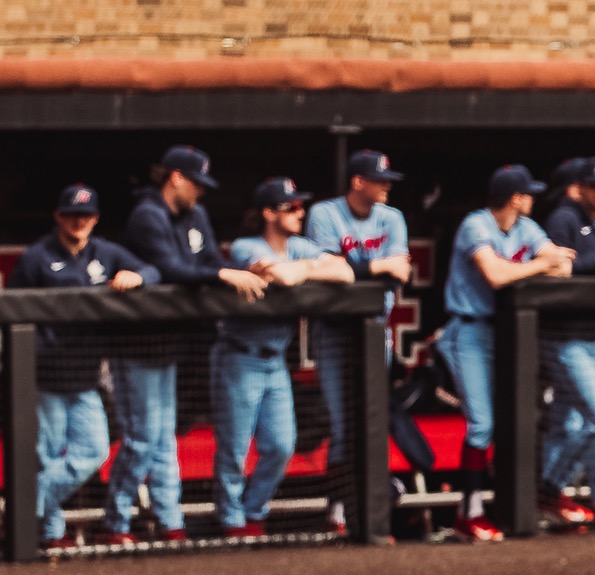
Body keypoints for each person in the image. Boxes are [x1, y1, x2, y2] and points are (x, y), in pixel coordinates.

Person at [115, 145, 269, 545]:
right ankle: (115, 521)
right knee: (144, 438)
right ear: (175, 178)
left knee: (163, 434)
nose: (201, 191)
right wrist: (223, 274)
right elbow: (174, 268)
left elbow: (205, 261)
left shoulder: (195, 215)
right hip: (137, 340)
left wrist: (235, 271)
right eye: (196, 182)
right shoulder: (147, 214)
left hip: (171, 340)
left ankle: (170, 521)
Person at [8, 184, 159, 549]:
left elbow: (152, 270)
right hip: (45, 377)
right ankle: (49, 533)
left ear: (96, 219)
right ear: (59, 217)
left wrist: (137, 277)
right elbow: (11, 305)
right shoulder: (38, 257)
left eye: (87, 215)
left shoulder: (105, 252)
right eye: (73, 215)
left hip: (86, 375)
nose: (80, 221)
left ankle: (26, 507)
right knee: (46, 457)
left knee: (93, 452)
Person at [439, 164, 575, 541]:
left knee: (512, 422)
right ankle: (469, 512)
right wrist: (536, 265)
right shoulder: (476, 225)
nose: (533, 199)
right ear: (515, 198)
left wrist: (533, 265)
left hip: (509, 336)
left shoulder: (526, 229)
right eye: (528, 193)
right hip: (468, 331)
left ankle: (503, 508)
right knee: (482, 424)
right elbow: (495, 276)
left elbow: (563, 267)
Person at [216, 177, 353, 538]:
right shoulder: (247, 245)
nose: (299, 212)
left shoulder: (300, 247)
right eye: (290, 207)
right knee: (233, 448)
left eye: (299, 206)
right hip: (239, 356)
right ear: (268, 213)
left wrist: (305, 268)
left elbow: (345, 270)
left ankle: (253, 511)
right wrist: (302, 271)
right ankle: (232, 522)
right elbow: (276, 275)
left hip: (275, 361)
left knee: (281, 445)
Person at [306, 149, 412, 536]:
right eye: (380, 179)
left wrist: (361, 268)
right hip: (334, 331)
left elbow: (399, 272)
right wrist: (377, 267)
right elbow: (329, 271)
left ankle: (364, 500)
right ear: (357, 182)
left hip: (375, 331)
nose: (386, 186)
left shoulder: (392, 217)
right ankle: (338, 505)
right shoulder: (325, 214)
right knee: (341, 421)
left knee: (369, 419)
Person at [537, 155, 595, 527]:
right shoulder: (564, 218)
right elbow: (560, 268)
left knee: (566, 424)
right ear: (578, 187)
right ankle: (549, 487)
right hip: (565, 339)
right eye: (594, 185)